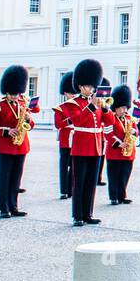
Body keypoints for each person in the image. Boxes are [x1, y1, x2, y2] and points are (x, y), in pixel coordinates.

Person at [0, 65, 35, 218]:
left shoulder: (23, 104)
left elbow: (30, 125)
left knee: (16, 179)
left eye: (17, 93)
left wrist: (29, 119)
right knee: (5, 178)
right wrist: (6, 131)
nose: (15, 96)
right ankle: (3, 208)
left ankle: (14, 206)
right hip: (6, 146)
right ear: (6, 91)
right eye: (12, 94)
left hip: (21, 145)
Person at [65, 58, 105, 226]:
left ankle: (88, 213)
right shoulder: (72, 103)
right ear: (81, 86)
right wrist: (92, 107)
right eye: (88, 86)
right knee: (79, 183)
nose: (91, 89)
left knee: (91, 183)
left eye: (92, 86)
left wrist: (106, 109)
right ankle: (77, 215)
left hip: (96, 147)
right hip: (81, 147)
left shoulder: (95, 103)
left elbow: (107, 121)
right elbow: (78, 120)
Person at [102, 84, 137, 204]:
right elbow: (107, 133)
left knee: (124, 175)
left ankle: (122, 195)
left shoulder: (129, 118)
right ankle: (113, 197)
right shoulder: (110, 118)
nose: (124, 110)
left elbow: (136, 131)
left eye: (125, 107)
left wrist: (134, 132)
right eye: (121, 108)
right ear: (115, 107)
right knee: (114, 175)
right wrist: (118, 143)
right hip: (115, 152)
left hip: (128, 151)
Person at [53, 72, 76, 200]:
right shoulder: (60, 108)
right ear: (65, 93)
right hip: (65, 140)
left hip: (77, 139)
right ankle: (63, 190)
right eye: (70, 93)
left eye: (74, 93)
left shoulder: (78, 106)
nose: (72, 95)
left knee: (73, 166)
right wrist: (69, 121)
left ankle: (71, 189)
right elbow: (58, 124)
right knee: (64, 165)